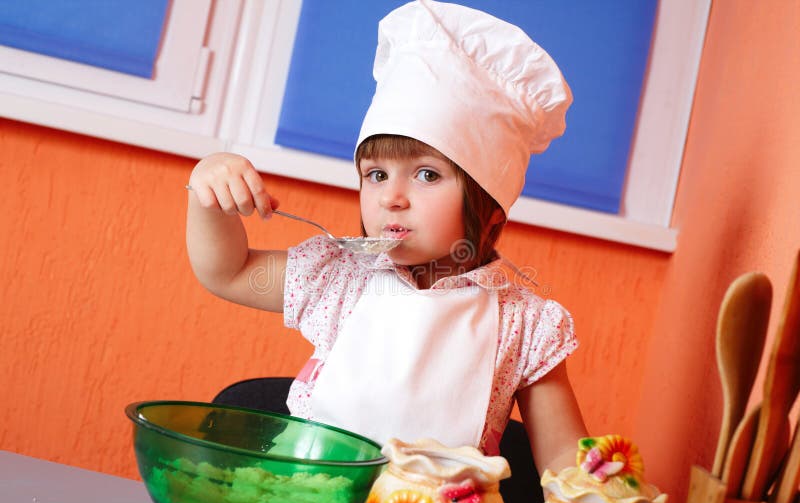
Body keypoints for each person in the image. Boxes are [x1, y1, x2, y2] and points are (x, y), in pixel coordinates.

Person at [186, 0, 586, 474]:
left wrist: (602, 500)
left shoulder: (526, 326)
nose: (392, 197)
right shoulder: (338, 279)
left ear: (491, 207)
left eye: (426, 175)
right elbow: (227, 272)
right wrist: (207, 188)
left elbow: (566, 467)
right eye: (376, 175)